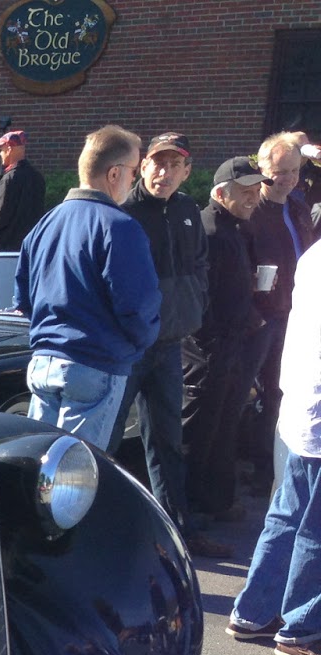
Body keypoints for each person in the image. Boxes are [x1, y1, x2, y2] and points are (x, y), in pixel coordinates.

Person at [12, 125, 160, 450]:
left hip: (43, 363)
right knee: (77, 483)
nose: (134, 180)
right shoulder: (120, 227)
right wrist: (139, 344)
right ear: (114, 174)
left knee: (37, 470)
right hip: (95, 365)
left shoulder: (44, 223)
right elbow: (137, 306)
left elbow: (22, 299)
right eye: (133, 172)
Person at [120, 133, 220, 553]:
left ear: (186, 170)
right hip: (128, 347)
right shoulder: (123, 210)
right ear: (142, 166)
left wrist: (195, 301)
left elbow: (199, 263)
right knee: (104, 440)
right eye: (156, 163)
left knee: (167, 440)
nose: (164, 172)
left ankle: (176, 531)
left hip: (169, 347)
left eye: (173, 164)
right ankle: (93, 528)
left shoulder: (186, 211)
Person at [226, 237, 321, 655]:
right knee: (313, 527)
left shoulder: (313, 254)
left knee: (288, 515)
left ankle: (255, 612)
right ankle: (302, 627)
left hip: (302, 402)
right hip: (314, 408)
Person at [184, 156, 270, 526]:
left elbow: (224, 286)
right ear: (221, 193)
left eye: (256, 191)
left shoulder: (232, 228)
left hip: (230, 347)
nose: (254, 198)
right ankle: (190, 512)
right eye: (246, 192)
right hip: (208, 353)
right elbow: (201, 298)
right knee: (200, 433)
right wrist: (216, 341)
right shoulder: (209, 231)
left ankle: (215, 502)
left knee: (222, 430)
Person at [246, 132, 316, 494]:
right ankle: (253, 463)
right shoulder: (252, 208)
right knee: (249, 392)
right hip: (260, 317)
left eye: (292, 170)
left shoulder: (299, 208)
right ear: (262, 168)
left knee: (282, 394)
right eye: (279, 170)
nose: (286, 178)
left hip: (294, 317)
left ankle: (268, 471)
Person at [0, 129, 46, 251]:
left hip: (3, 247)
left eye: (0, 150)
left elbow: (0, 215)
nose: (0, 154)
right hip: (29, 246)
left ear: (8, 149)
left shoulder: (9, 178)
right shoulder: (37, 177)